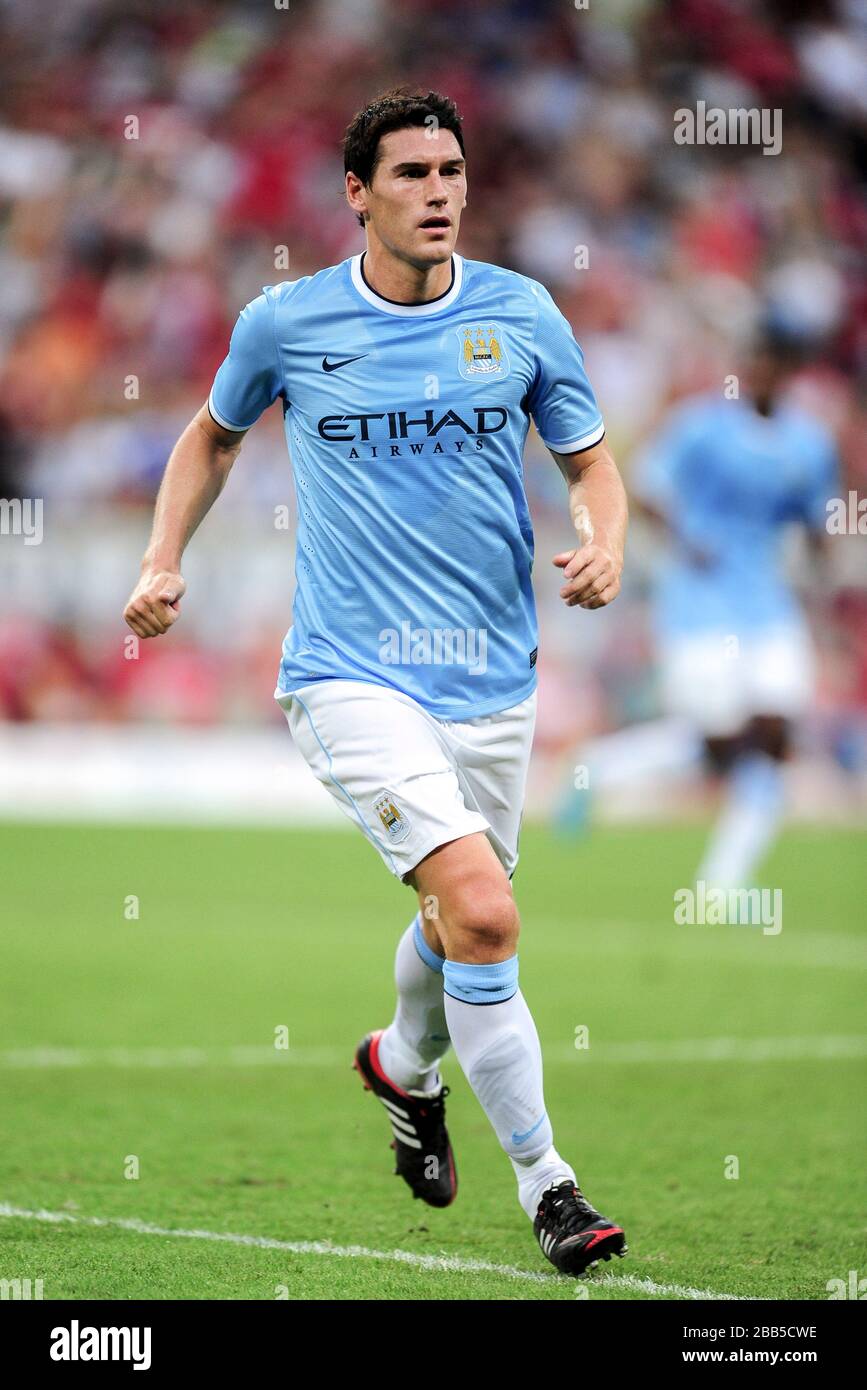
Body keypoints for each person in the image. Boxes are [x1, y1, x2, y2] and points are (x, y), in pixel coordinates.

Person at [123, 87, 629, 1277]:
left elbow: (591, 461)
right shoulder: (289, 323)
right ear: (357, 194)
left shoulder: (523, 315)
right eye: (410, 174)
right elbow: (211, 434)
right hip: (351, 675)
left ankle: (402, 1065)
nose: (439, 192)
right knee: (490, 913)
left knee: (457, 917)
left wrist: (604, 540)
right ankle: (550, 1187)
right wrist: (161, 556)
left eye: (452, 171)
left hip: (495, 681)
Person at [630, 330, 839, 891]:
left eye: (776, 360)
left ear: (790, 369)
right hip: (699, 607)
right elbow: (646, 486)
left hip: (768, 607)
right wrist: (684, 540)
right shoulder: (702, 427)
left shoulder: (810, 443)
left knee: (775, 729)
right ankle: (601, 769)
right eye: (758, 358)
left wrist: (825, 552)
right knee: (719, 744)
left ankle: (723, 879)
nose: (764, 369)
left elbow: (818, 519)